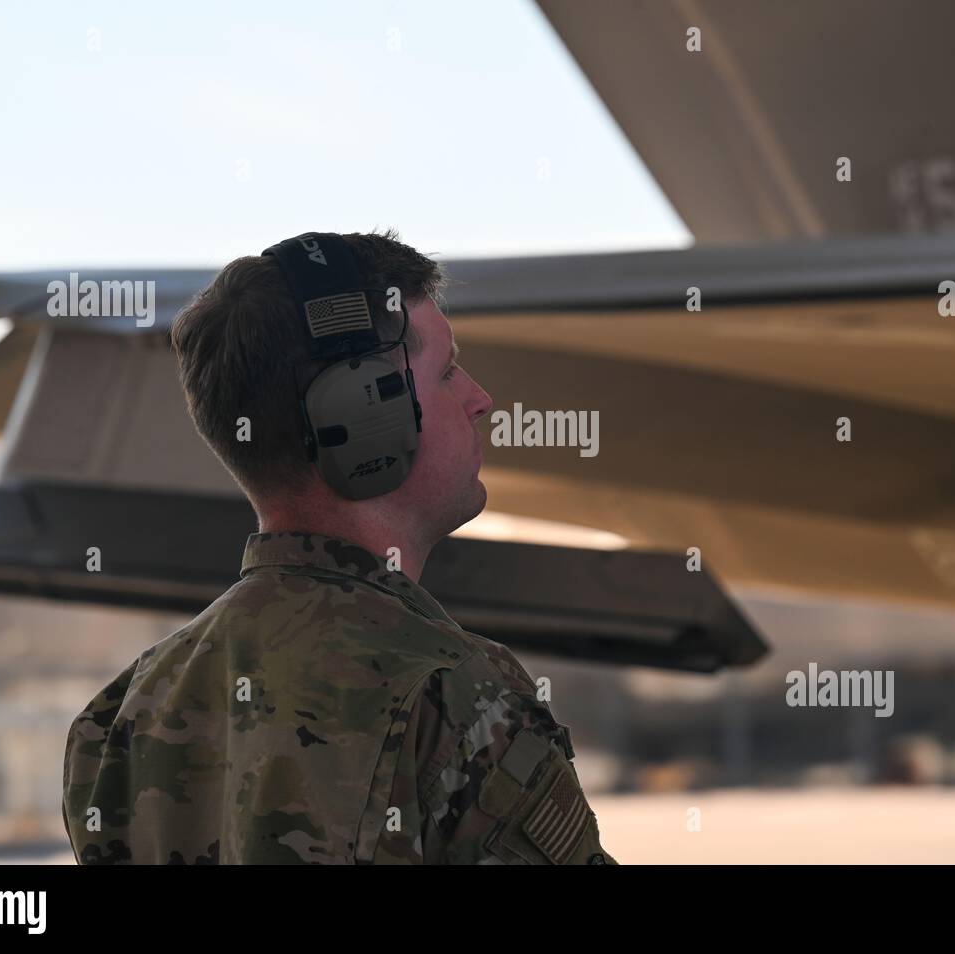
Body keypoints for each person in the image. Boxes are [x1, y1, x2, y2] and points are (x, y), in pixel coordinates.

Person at [61, 229, 618, 865]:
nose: (480, 400)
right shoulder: (446, 694)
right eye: (448, 371)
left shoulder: (119, 717)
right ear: (360, 418)